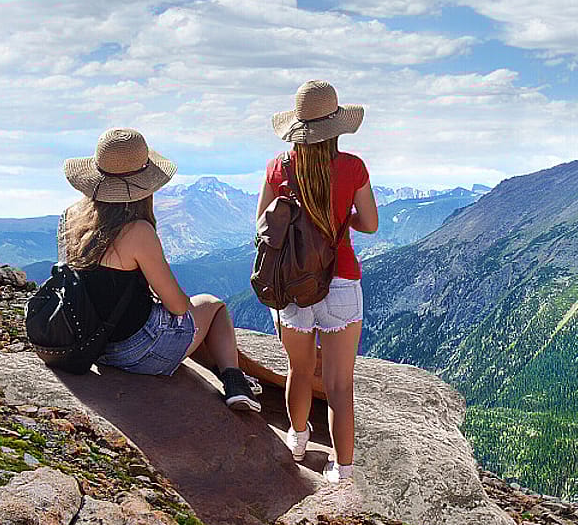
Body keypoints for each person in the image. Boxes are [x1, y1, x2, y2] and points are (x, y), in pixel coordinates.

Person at [61, 127, 262, 411]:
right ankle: (234, 382)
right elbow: (179, 307)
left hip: (92, 344)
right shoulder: (137, 231)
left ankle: (232, 376)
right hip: (136, 352)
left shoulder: (72, 220)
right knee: (212, 305)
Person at [258, 80, 378, 482]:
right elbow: (372, 224)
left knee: (299, 368)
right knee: (340, 385)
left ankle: (297, 439)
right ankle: (342, 469)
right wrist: (341, 221)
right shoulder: (352, 167)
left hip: (293, 282)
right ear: (336, 127)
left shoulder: (280, 167)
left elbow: (263, 226)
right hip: (341, 279)